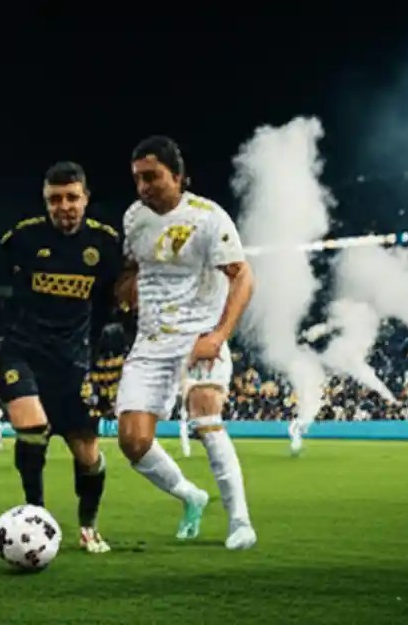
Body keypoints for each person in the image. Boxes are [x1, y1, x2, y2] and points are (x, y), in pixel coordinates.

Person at [115, 136, 257, 550]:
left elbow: (244, 277)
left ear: (177, 176)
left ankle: (240, 522)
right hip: (150, 342)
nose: (143, 187)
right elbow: (130, 269)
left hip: (198, 338)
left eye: (152, 177)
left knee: (205, 416)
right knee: (133, 441)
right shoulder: (133, 217)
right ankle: (190, 495)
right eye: (138, 178)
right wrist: (125, 290)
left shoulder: (208, 217)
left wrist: (218, 336)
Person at [0, 161, 123, 554]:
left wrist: (97, 343)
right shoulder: (25, 237)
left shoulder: (104, 243)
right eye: (54, 199)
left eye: (71, 197)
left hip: (72, 362)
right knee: (32, 426)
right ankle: (35, 514)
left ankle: (88, 526)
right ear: (45, 201)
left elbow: (114, 294)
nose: (63, 206)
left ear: (85, 198)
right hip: (22, 351)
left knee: (87, 452)